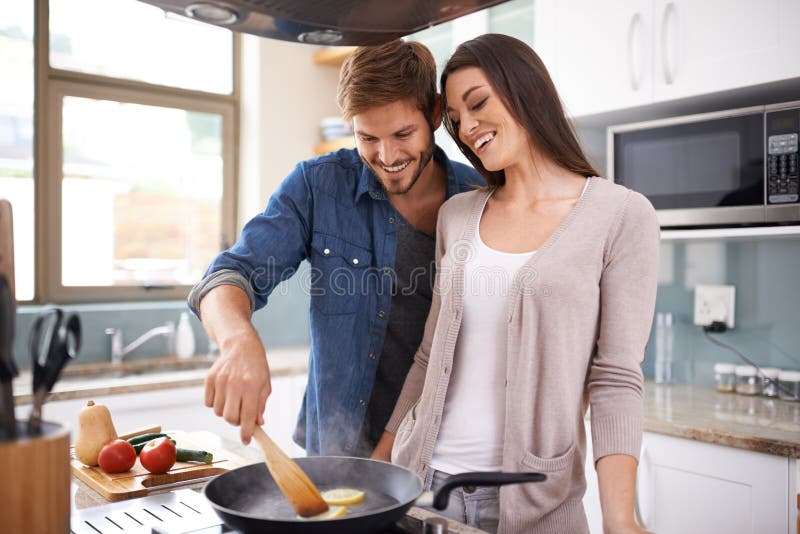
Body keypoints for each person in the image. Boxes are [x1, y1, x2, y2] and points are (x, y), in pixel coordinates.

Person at [378, 34, 659, 534]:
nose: (468, 127)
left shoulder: (620, 215)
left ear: (527, 89)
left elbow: (615, 378)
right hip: (422, 488)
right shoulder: (457, 216)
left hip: (532, 502)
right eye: (457, 121)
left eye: (479, 103)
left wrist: (621, 517)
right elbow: (429, 356)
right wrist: (382, 469)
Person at [188, 39, 482, 456]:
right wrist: (237, 339)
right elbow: (227, 275)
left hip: (446, 457)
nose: (387, 156)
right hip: (337, 457)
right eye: (367, 138)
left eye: (403, 134)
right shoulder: (318, 186)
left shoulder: (480, 196)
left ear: (434, 113)